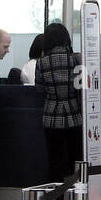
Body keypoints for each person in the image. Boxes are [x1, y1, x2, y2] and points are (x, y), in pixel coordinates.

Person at [35, 22, 82, 182]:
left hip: (51, 117)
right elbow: (80, 87)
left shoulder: (41, 62)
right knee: (74, 159)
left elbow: (40, 88)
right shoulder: (76, 59)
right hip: (73, 115)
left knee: (55, 161)